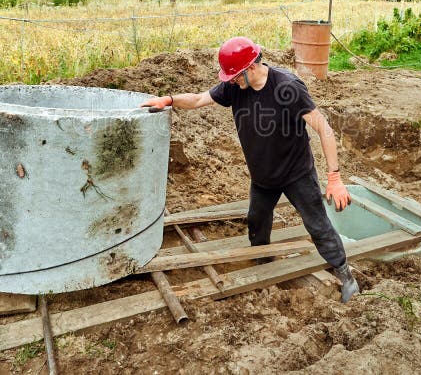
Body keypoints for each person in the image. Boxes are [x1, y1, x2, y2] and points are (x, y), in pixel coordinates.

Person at [141, 36, 359, 303]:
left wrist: (334, 178)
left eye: (234, 75)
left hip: (296, 173)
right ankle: (263, 261)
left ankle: (344, 273)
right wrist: (169, 100)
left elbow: (324, 129)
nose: (230, 80)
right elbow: (198, 100)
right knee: (256, 222)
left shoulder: (288, 88)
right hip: (263, 176)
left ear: (251, 67)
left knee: (317, 225)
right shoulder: (234, 87)